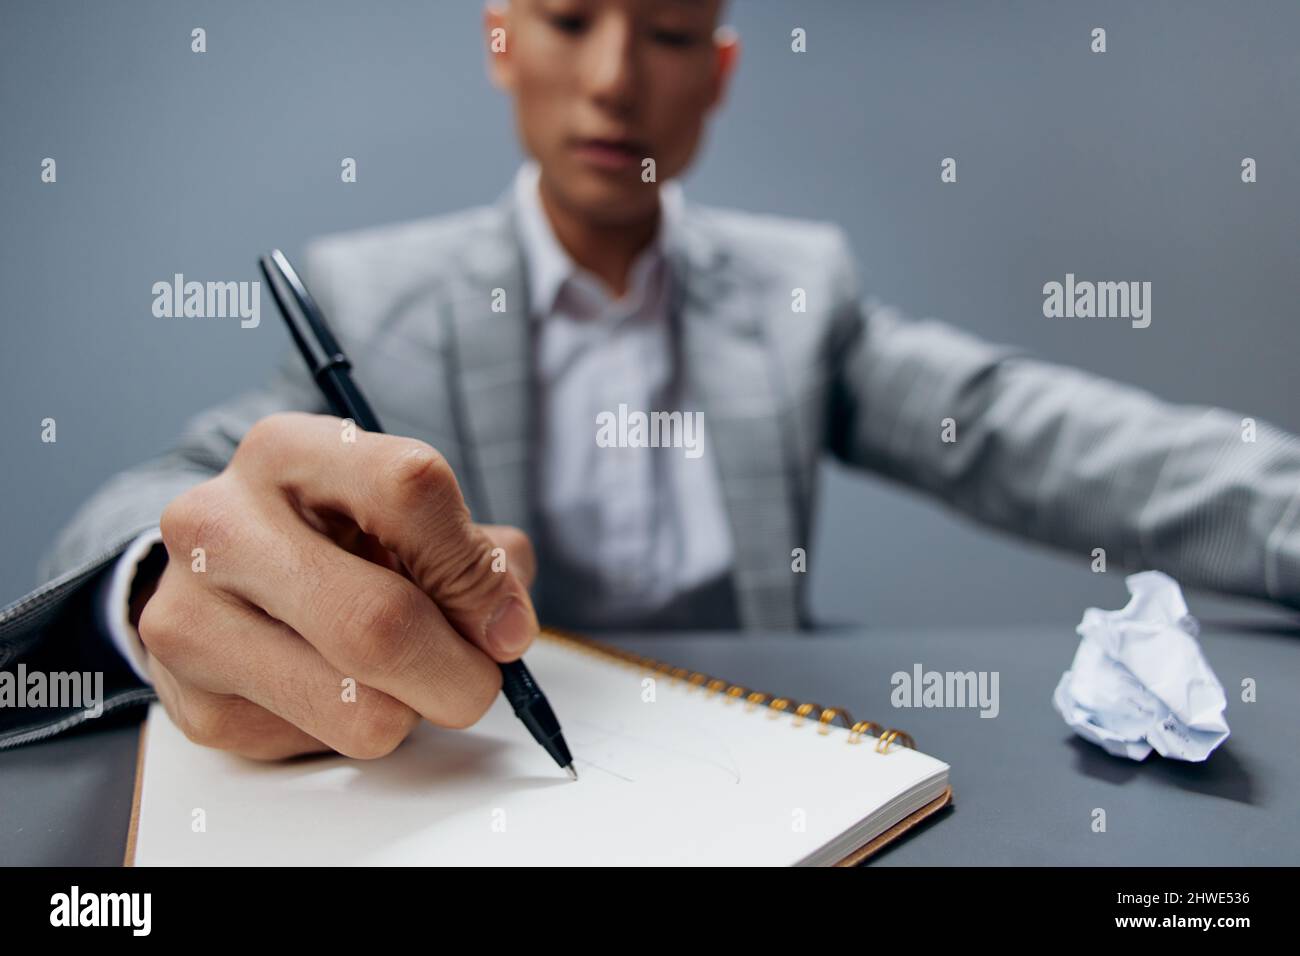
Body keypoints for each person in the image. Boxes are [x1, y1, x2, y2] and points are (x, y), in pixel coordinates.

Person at [4, 0, 1298, 759]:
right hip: (482, 776)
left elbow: (1035, 435)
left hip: (757, 765)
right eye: (571, 18)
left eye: (670, 30)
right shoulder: (369, 297)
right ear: (504, 39)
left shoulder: (803, 289)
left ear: (719, 75)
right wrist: (156, 578)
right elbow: (180, 488)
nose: (617, 77)